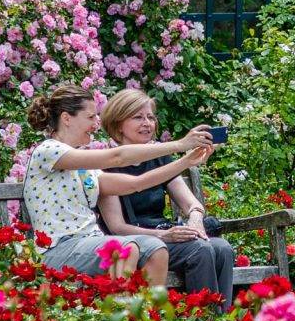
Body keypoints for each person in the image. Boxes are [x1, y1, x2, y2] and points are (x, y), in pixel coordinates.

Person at [20, 84, 212, 289]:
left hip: (90, 243)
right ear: (67, 118)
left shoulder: (84, 167)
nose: (96, 124)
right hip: (57, 249)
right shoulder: (49, 151)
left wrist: (186, 161)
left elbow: (135, 184)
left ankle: (151, 318)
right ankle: (120, 317)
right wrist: (180, 144)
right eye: (90, 117)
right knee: (124, 248)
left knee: (156, 249)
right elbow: (118, 157)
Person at [97, 88, 240, 305]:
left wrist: (195, 220)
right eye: (138, 117)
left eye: (150, 117)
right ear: (118, 125)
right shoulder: (106, 165)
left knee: (222, 248)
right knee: (199, 250)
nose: (147, 123)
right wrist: (163, 235)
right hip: (135, 242)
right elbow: (117, 226)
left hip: (168, 235)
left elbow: (191, 203)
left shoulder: (160, 159)